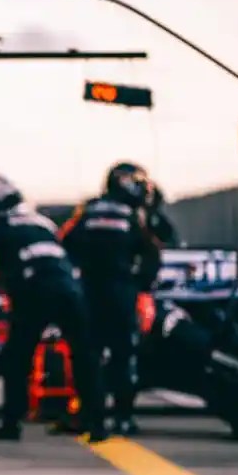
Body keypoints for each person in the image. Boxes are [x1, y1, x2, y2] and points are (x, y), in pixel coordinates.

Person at [0, 173, 107, 442]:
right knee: (84, 355)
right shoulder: (42, 222)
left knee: (17, 357)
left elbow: (2, 269)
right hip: (69, 289)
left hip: (34, 290)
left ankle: (11, 423)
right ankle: (97, 422)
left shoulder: (2, 226)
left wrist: (14, 302)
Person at [60, 162, 162, 436]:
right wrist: (142, 285)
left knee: (88, 355)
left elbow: (65, 246)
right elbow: (152, 254)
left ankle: (91, 416)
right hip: (120, 292)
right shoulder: (134, 216)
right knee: (123, 356)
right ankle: (123, 416)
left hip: (89, 291)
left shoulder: (87, 211)